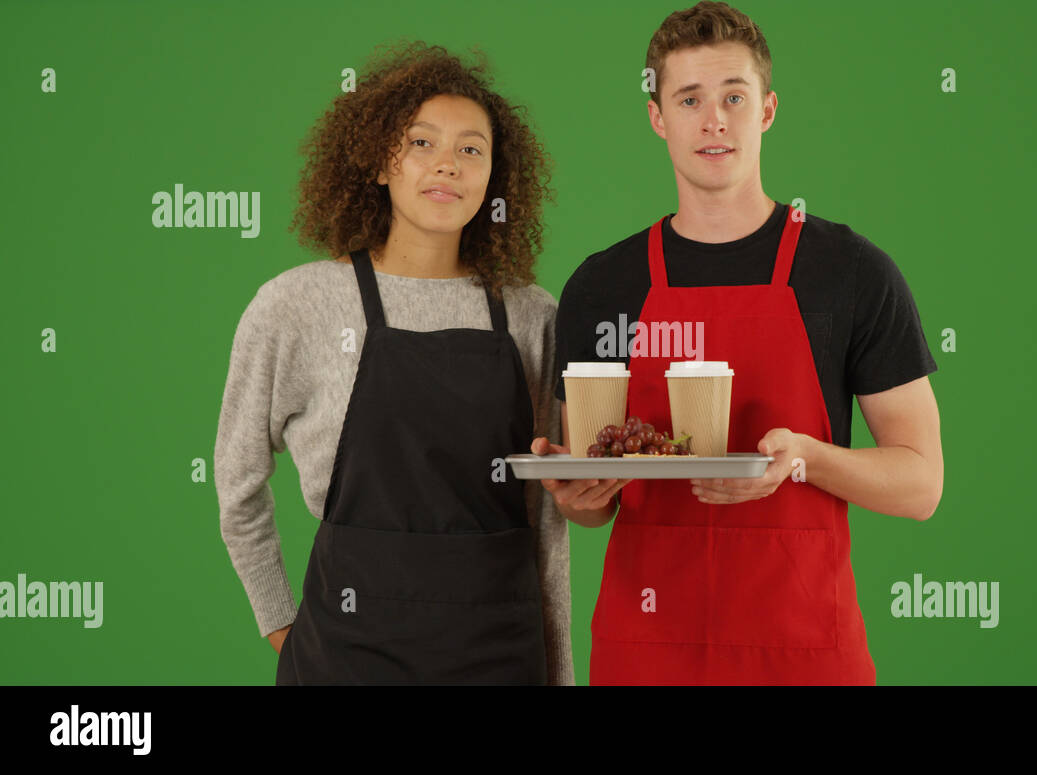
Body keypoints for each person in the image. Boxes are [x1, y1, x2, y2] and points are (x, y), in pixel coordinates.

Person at [530, 2, 942, 685]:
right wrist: (575, 493)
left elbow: (921, 482)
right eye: (689, 98)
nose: (713, 119)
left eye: (733, 97)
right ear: (658, 116)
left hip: (804, 653)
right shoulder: (604, 286)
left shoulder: (850, 273)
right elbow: (593, 503)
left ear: (768, 110)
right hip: (647, 655)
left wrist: (807, 458)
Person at [215, 41, 572, 684]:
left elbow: (546, 520)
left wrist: (560, 672)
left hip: (501, 657)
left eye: (471, 149)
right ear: (380, 162)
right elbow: (237, 481)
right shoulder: (296, 306)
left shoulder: (532, 316)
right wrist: (286, 631)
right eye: (421, 143)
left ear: (495, 177)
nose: (448, 166)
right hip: (347, 656)